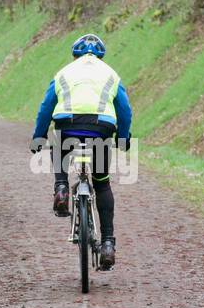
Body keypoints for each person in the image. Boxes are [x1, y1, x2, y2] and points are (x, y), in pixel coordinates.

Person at [30, 33, 132, 269]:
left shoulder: (64, 73)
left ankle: (62, 188)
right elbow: (125, 110)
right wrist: (124, 138)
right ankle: (107, 243)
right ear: (101, 56)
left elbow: (46, 107)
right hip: (102, 129)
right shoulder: (111, 74)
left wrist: (38, 136)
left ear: (75, 55)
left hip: (68, 128)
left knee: (58, 144)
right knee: (102, 183)